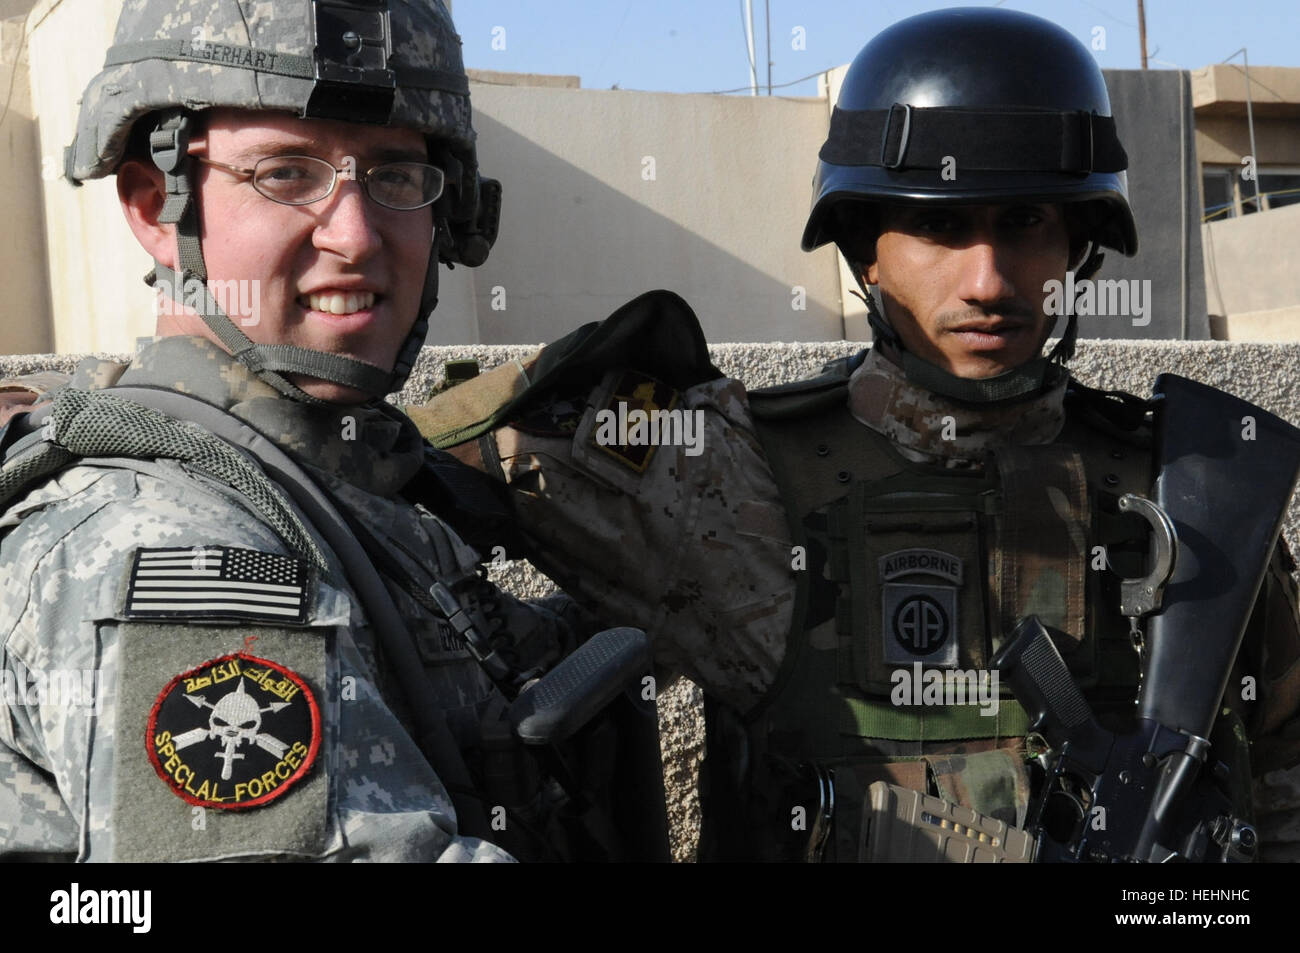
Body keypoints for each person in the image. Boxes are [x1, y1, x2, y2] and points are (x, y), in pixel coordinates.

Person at [412, 7, 1300, 861]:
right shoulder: (726, 470)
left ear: (1079, 245)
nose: (989, 279)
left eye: (1026, 221)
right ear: (864, 249)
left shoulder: (1190, 496)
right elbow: (393, 460)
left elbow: (1285, 773)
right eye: (940, 225)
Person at [0, 0, 614, 862]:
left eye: (396, 176)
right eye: (287, 173)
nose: (356, 235)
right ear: (154, 203)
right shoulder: (173, 557)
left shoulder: (339, 481)